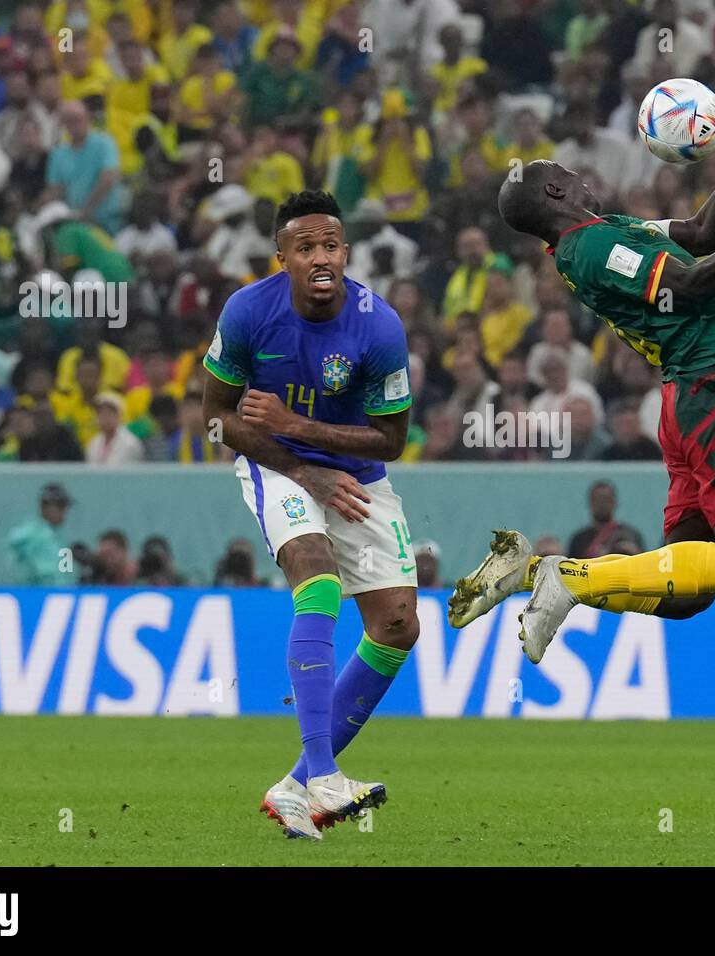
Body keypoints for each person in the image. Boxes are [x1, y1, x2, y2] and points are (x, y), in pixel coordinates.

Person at [448, 129, 715, 663]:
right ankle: (569, 578)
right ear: (554, 192)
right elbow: (691, 284)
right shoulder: (593, 248)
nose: (580, 175)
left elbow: (702, 235)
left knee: (685, 595)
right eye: (566, 172)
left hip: (688, 396)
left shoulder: (607, 231)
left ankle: (533, 571)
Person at [201, 190, 419, 841]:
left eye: (330, 245)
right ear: (283, 257)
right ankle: (325, 774)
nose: (320, 257)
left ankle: (296, 788)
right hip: (275, 466)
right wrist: (301, 467)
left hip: (355, 474)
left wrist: (300, 427)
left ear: (345, 253)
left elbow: (392, 441)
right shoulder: (248, 312)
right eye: (306, 247)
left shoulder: (379, 327)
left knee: (398, 624)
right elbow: (216, 417)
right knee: (318, 581)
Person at [6, 483, 77, 586]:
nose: (63, 512)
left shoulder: (54, 536)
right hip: (38, 593)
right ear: (44, 506)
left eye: (64, 507)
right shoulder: (34, 535)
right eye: (60, 506)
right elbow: (47, 575)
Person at [566, 481, 645, 559]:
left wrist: (634, 552)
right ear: (590, 502)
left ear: (615, 502)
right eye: (597, 500)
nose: (602, 504)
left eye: (606, 499)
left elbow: (643, 563)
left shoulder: (630, 535)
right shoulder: (579, 540)